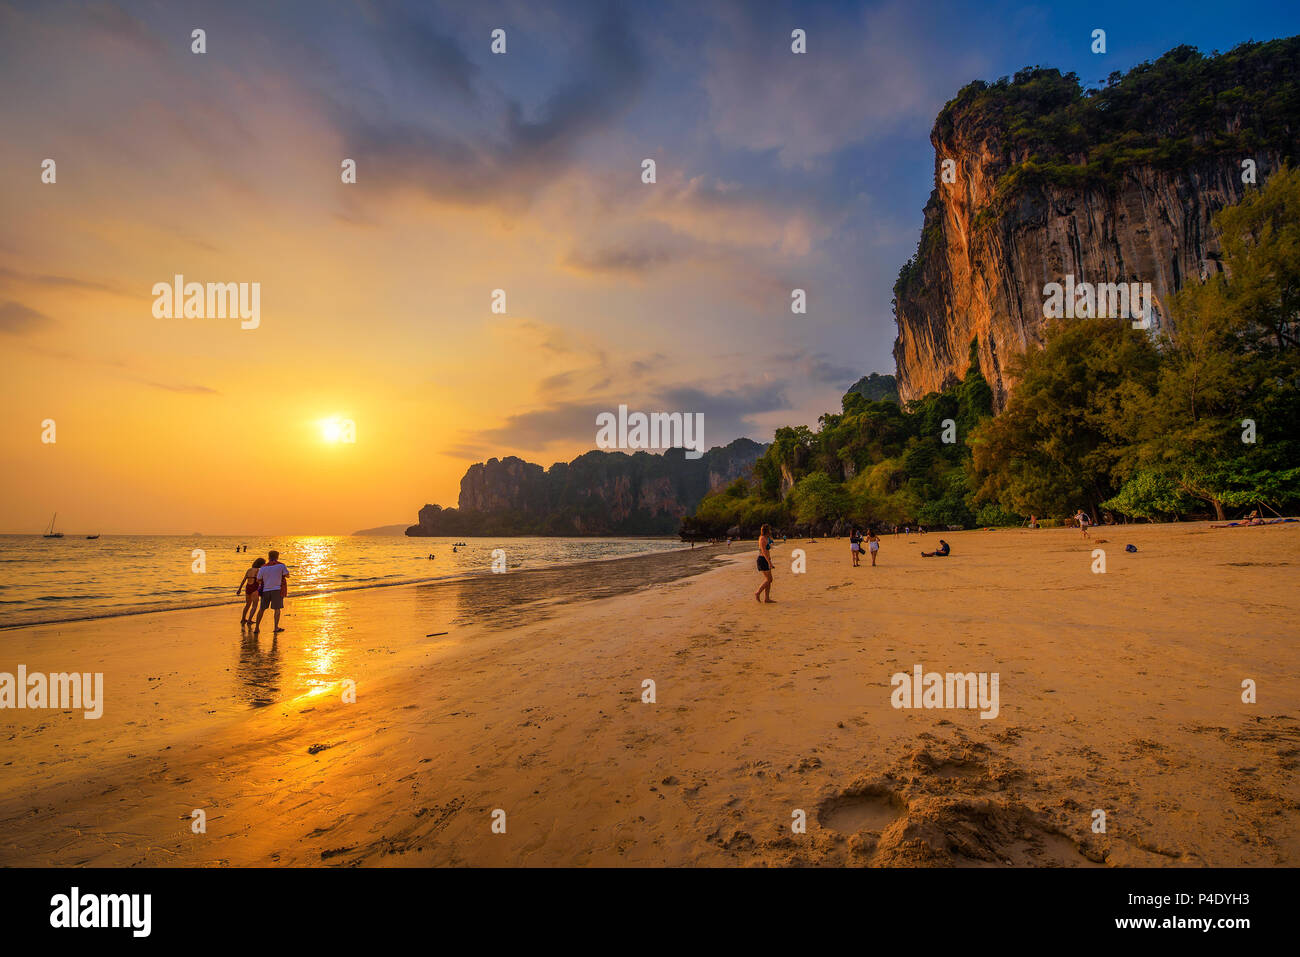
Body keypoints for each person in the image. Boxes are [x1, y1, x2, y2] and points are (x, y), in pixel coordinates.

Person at [254, 549, 289, 634]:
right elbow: (287, 575)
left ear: (269, 557)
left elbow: (258, 579)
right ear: (277, 557)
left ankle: (256, 628)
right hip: (277, 589)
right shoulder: (281, 565)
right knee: (277, 609)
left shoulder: (263, 567)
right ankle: (275, 627)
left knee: (262, 609)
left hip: (266, 589)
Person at [236, 557, 265, 625]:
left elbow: (244, 580)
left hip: (248, 587)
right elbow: (259, 581)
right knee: (254, 606)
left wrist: (239, 589)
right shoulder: (258, 570)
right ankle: (249, 620)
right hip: (254, 588)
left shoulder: (249, 570)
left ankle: (243, 618)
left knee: (247, 604)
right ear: (261, 564)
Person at [754, 524, 775, 603]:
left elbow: (771, 545)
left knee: (768, 580)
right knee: (769, 579)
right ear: (767, 530)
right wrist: (769, 562)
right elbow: (763, 551)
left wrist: (769, 560)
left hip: (766, 559)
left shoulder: (766, 538)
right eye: (769, 530)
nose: (770, 531)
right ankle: (758, 593)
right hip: (763, 560)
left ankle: (767, 598)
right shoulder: (762, 538)